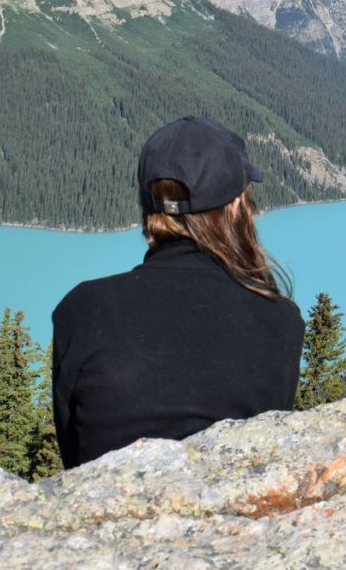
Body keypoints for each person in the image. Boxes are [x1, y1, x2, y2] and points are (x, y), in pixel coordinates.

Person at [51, 117, 305, 469]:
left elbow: (73, 454)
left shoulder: (83, 309)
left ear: (147, 205)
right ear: (235, 206)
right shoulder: (280, 319)